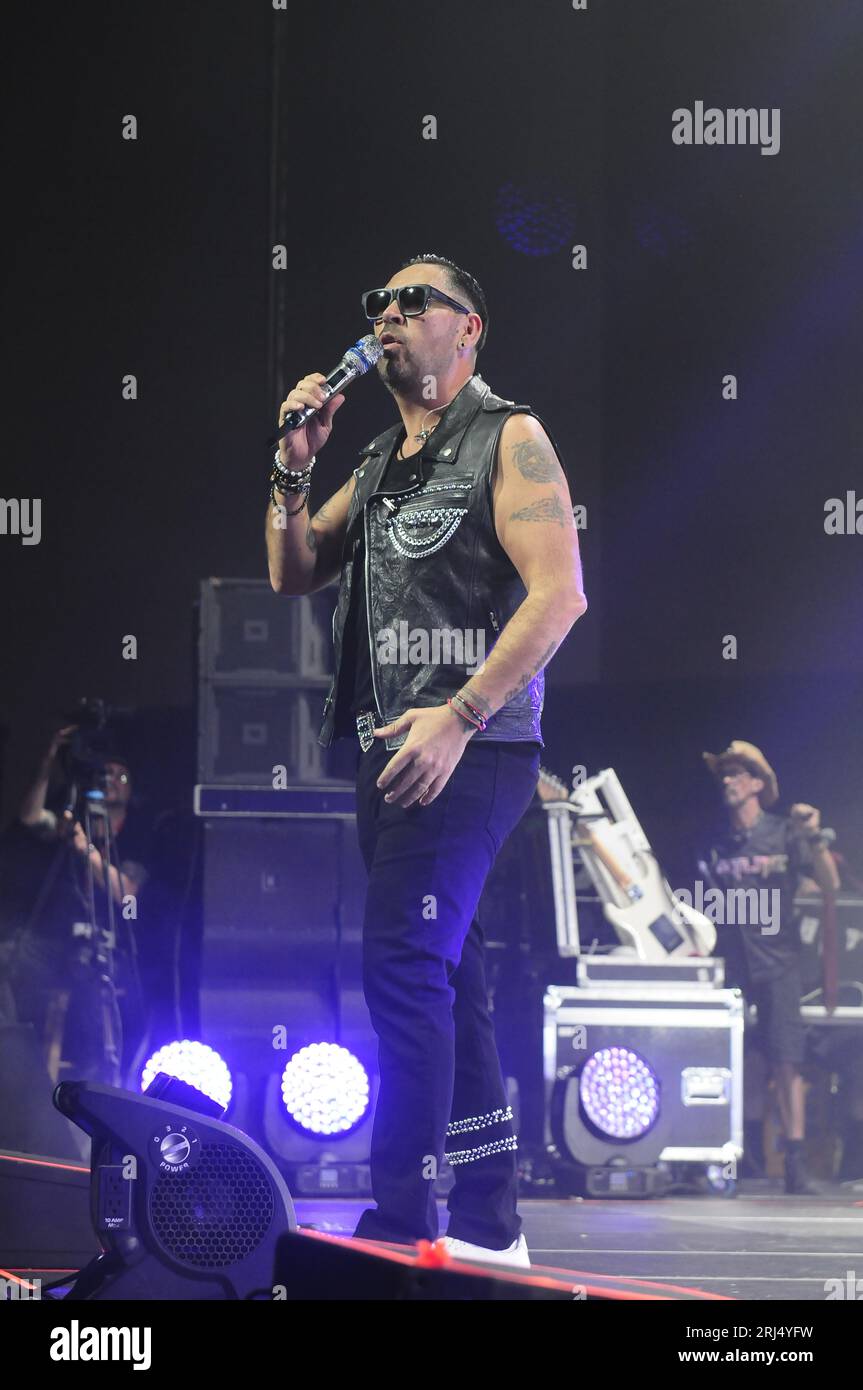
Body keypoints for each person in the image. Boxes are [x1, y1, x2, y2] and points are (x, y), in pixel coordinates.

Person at [266, 253, 587, 1266]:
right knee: (451, 980)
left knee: (402, 966)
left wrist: (458, 713)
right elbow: (291, 569)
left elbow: (559, 595)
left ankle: (400, 1222)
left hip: (473, 744)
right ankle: (491, 1220)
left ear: (468, 330)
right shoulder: (372, 463)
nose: (390, 315)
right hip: (391, 750)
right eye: (380, 303)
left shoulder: (508, 438)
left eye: (415, 301)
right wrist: (293, 463)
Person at [698, 740, 840, 1194]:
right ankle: (733, 1157)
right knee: (731, 1060)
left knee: (787, 1061)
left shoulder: (785, 833)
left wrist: (814, 834)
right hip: (734, 967)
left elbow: (829, 882)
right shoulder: (716, 843)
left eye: (737, 773)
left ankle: (794, 1163)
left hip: (779, 963)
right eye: (724, 774)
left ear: (758, 783)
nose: (727, 780)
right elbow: (701, 906)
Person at [0, 725, 148, 1083]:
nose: (111, 780)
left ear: (131, 789)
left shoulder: (139, 835)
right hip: (56, 944)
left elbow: (126, 893)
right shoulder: (72, 821)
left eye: (120, 775)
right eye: (105, 773)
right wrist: (49, 762)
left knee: (99, 993)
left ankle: (100, 1082)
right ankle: (15, 1070)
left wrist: (88, 852)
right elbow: (31, 818)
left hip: (108, 951)